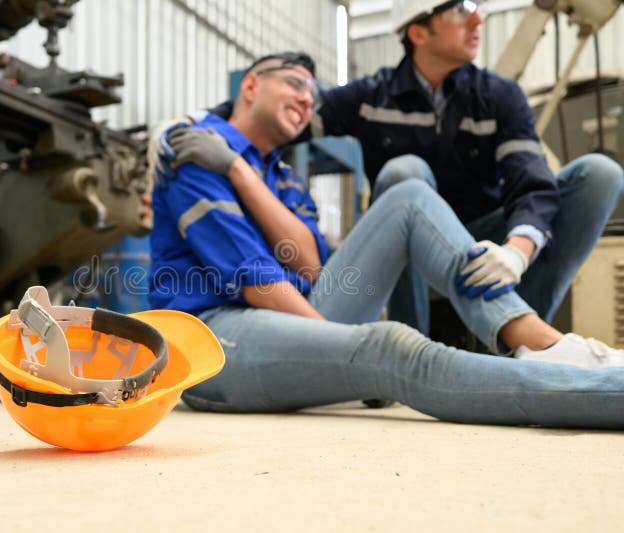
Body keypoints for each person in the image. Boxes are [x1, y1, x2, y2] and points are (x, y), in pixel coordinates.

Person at [148, 52, 624, 429]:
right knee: (390, 348)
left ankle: (535, 339)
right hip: (216, 343)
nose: (305, 99)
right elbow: (256, 282)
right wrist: (348, 344)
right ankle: (603, 394)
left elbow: (311, 266)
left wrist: (240, 172)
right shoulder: (195, 148)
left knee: (409, 195)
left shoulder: (279, 174)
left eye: (312, 94)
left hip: (293, 315)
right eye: (293, 83)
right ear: (250, 84)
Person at [157, 0, 624, 339]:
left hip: (483, 243)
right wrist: (190, 129)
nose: (477, 17)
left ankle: (520, 336)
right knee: (404, 174)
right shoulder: (369, 98)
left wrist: (517, 251)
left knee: (601, 175)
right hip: (409, 257)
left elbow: (531, 181)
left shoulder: (498, 96)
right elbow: (271, 117)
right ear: (418, 31)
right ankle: (410, 338)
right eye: (461, 8)